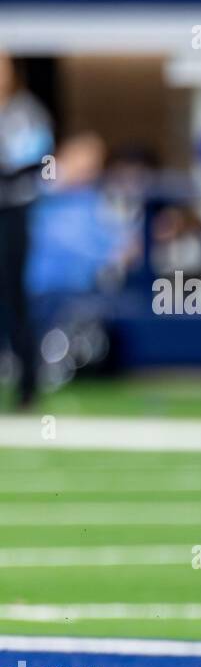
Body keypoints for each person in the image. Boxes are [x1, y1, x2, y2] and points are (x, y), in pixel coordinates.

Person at [0, 52, 53, 410]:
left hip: (13, 211)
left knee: (14, 295)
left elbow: (42, 164)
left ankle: (27, 385)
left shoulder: (27, 112)